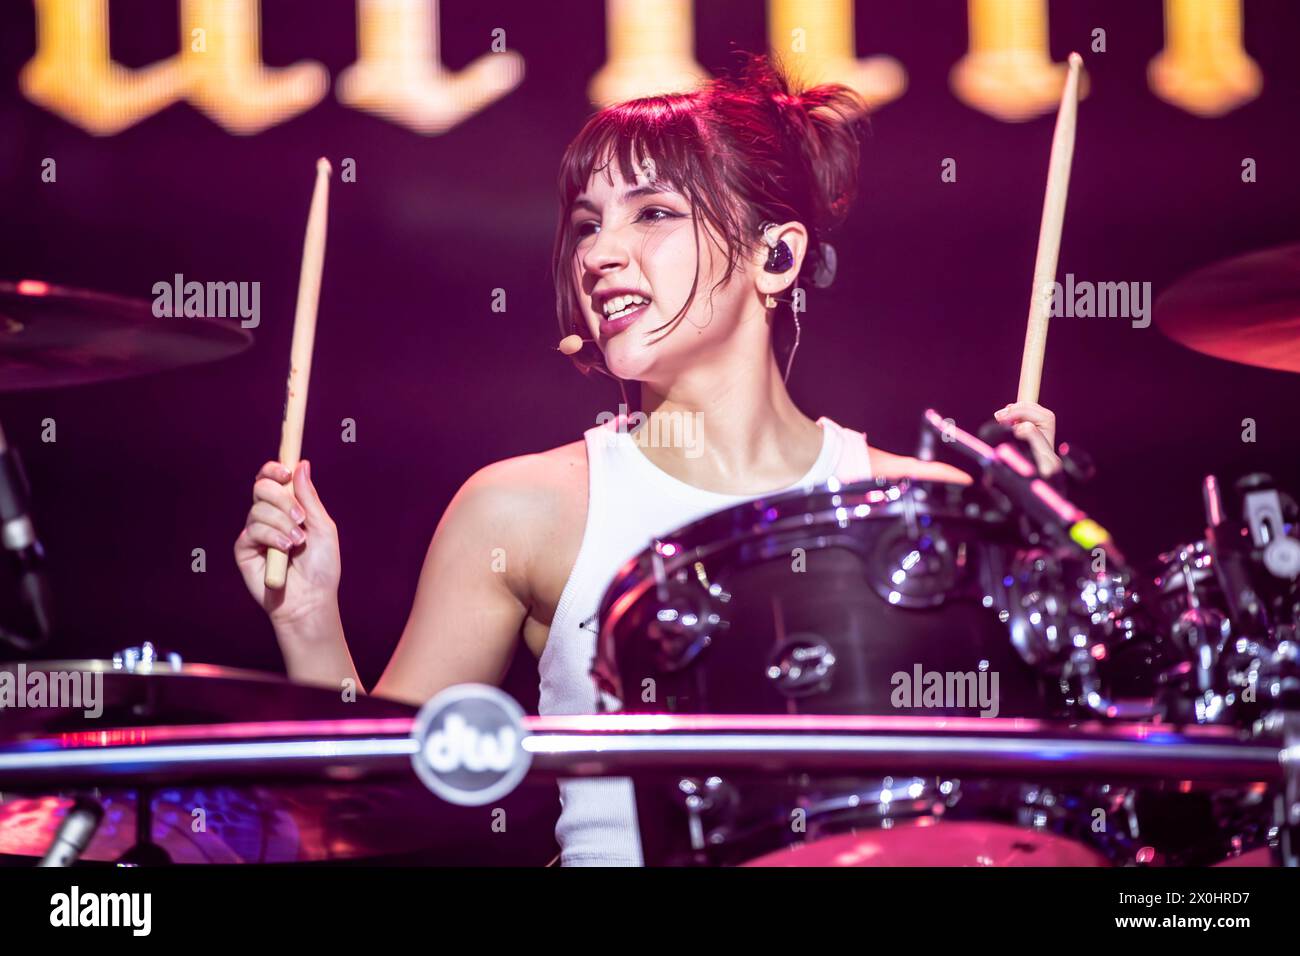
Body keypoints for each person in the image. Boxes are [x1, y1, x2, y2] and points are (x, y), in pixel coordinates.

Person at [233, 53, 1061, 866]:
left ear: (777, 257)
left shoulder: (929, 511)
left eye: (653, 213)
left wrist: (1048, 549)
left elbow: (1042, 811)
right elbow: (379, 813)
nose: (598, 254)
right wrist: (308, 621)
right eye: (589, 224)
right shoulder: (523, 508)